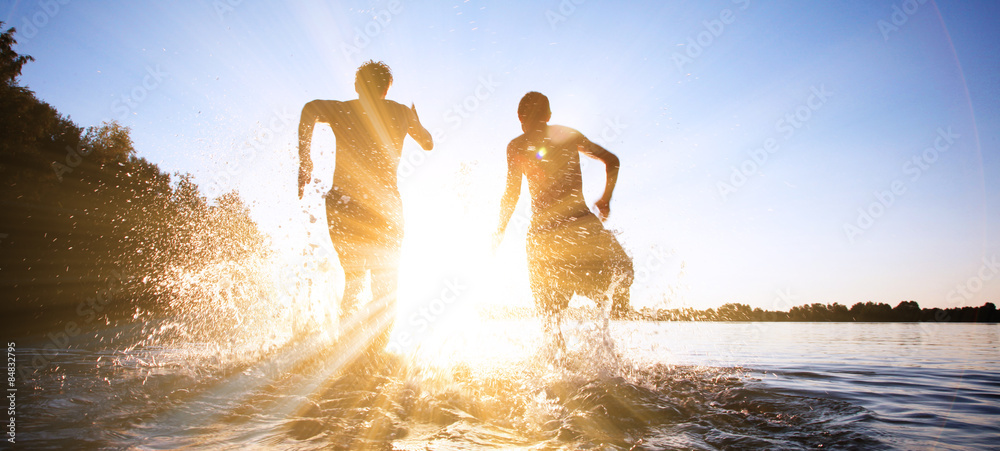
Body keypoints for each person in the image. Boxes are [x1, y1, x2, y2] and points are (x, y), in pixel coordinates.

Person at [297, 60, 433, 348]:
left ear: (357, 86)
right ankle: (375, 354)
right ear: (386, 88)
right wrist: (416, 122)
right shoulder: (400, 111)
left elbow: (309, 108)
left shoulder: (343, 108)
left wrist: (305, 159)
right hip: (384, 204)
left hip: (343, 203)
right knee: (386, 282)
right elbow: (428, 143)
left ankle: (346, 350)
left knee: (355, 277)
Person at [493, 91, 634, 344]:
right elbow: (612, 161)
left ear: (519, 117)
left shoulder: (516, 146)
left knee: (550, 318)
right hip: (578, 224)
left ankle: (561, 371)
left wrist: (499, 230)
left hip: (542, 235)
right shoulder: (567, 135)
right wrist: (605, 199)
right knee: (620, 279)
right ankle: (608, 358)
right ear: (548, 115)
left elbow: (511, 194)